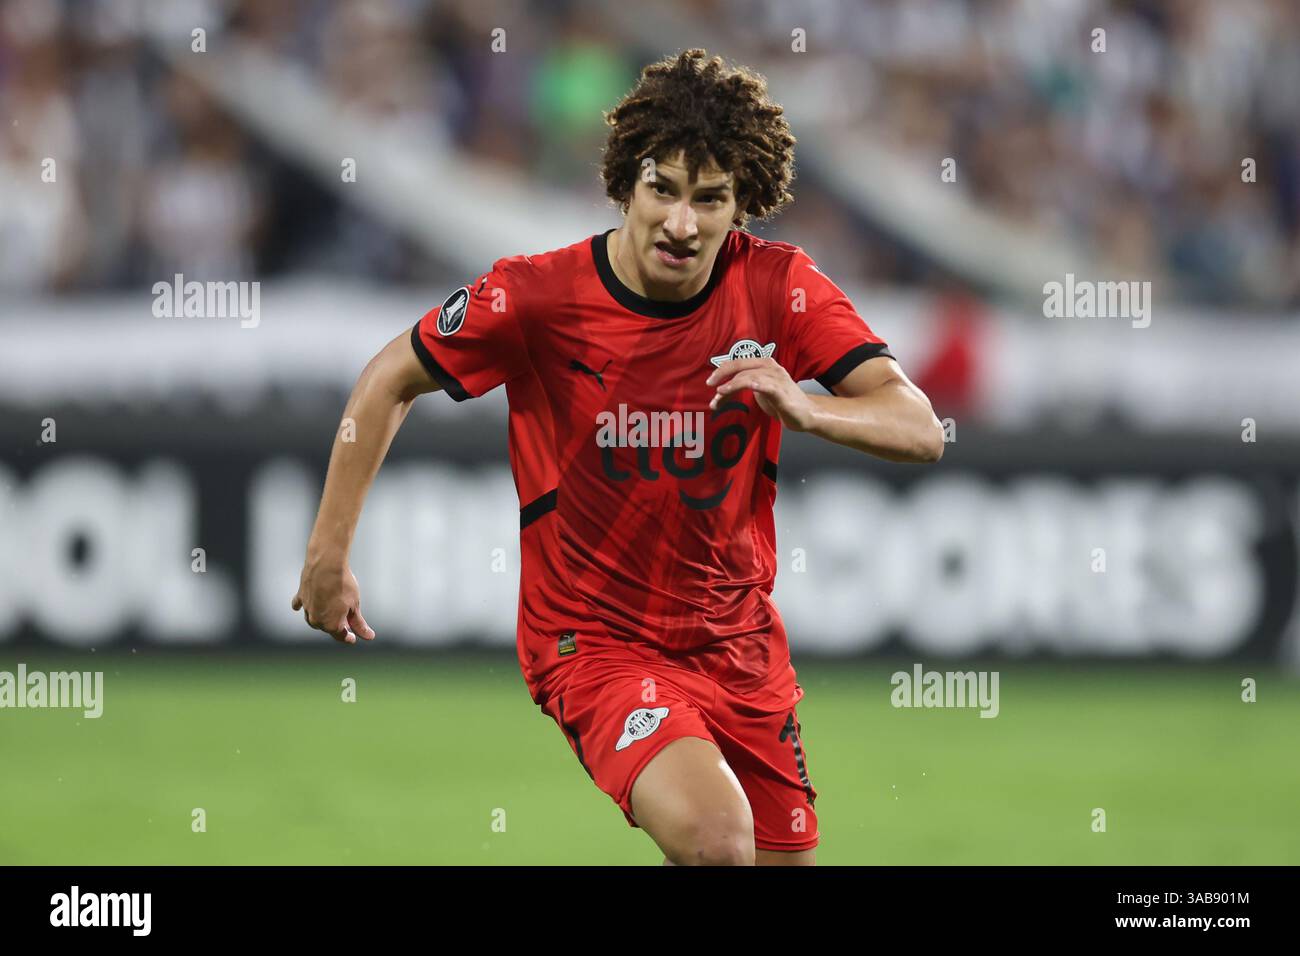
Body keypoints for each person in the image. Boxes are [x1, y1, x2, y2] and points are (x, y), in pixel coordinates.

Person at [293, 48, 944, 866]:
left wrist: (804, 408)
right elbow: (390, 376)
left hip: (738, 645)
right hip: (594, 642)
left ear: (743, 205)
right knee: (716, 839)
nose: (682, 223)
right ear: (623, 184)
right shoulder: (537, 298)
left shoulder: (780, 288)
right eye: (662, 190)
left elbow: (919, 426)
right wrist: (328, 553)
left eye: (710, 200)